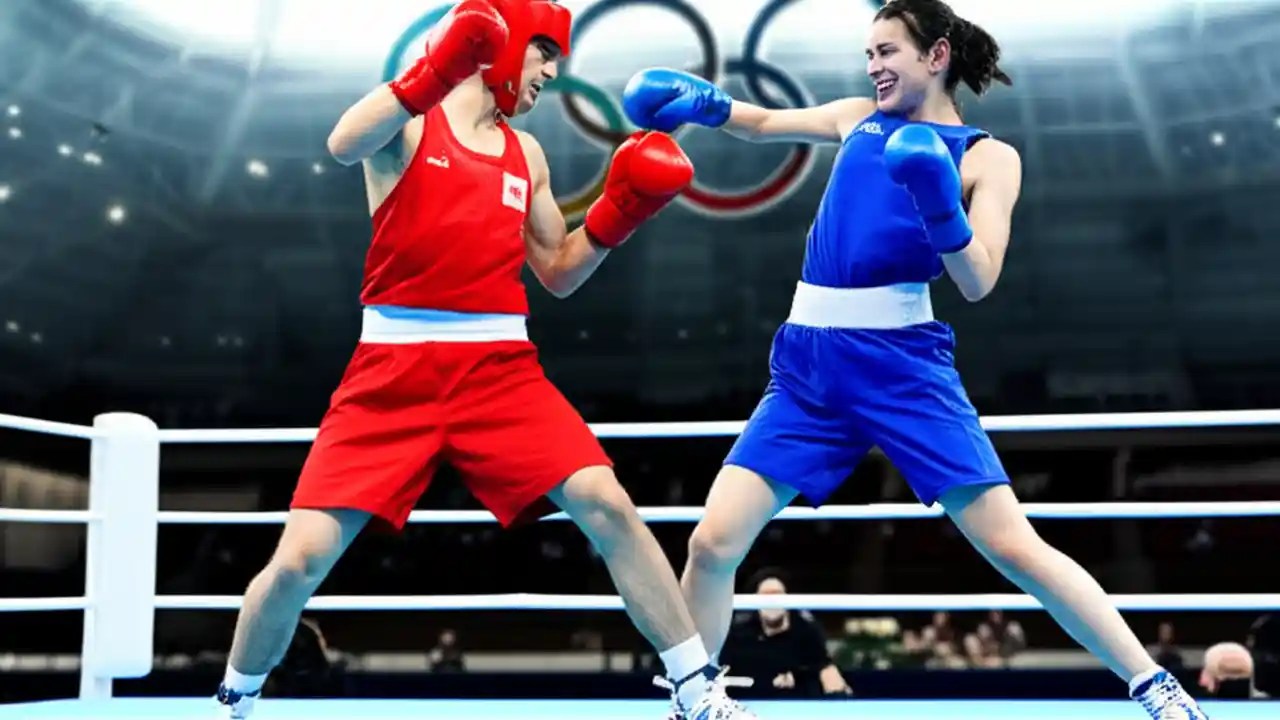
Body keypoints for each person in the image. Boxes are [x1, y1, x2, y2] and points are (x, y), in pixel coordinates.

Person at [620, 0, 1209, 717]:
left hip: (902, 366)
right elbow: (764, 123)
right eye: (868, 54)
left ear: (936, 58)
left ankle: (1153, 683)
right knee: (712, 542)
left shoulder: (990, 156)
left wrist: (940, 205)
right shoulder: (854, 120)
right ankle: (696, 698)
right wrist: (701, 106)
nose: (873, 67)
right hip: (807, 366)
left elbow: (980, 277)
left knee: (1012, 545)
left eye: (887, 52)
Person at [213, 2, 754, 718]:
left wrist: (619, 212)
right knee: (299, 561)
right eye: (541, 54)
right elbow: (342, 142)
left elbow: (558, 270)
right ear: (496, 48)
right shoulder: (409, 123)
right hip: (390, 371)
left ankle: (694, 686)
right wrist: (438, 68)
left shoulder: (523, 153)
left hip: (500, 366)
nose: (552, 74)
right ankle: (235, 699)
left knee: (607, 504)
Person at [720, 569, 852, 697]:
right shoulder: (738, 633)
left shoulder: (807, 631)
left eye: (777, 594)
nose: (772, 602)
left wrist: (838, 692)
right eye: (765, 596)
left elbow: (825, 668)